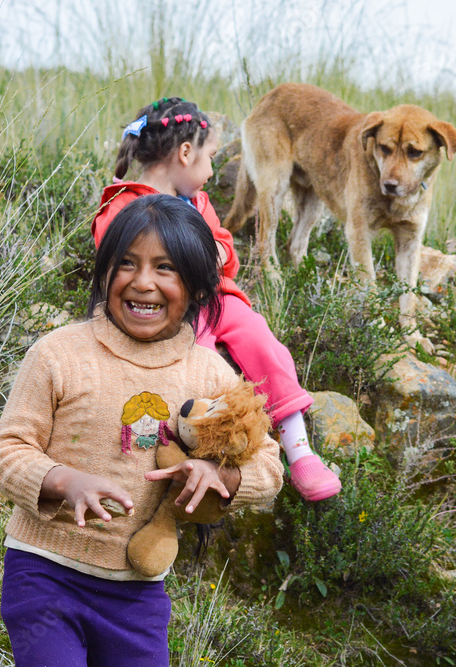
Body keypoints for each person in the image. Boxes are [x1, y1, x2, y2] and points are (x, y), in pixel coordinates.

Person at [0, 195, 285, 665]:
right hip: (45, 574)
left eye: (165, 268)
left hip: (137, 594)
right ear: (105, 273)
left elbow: (269, 465)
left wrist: (223, 477)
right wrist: (65, 480)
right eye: (126, 263)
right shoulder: (59, 354)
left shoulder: (210, 375)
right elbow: (8, 451)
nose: (142, 282)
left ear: (198, 287)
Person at [92, 96, 339, 502]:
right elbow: (111, 251)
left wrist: (212, 253)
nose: (211, 171)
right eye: (210, 158)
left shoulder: (199, 203)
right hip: (168, 310)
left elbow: (225, 252)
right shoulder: (123, 202)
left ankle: (298, 448)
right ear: (186, 153)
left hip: (216, 298)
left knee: (259, 337)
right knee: (201, 360)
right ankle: (203, 451)